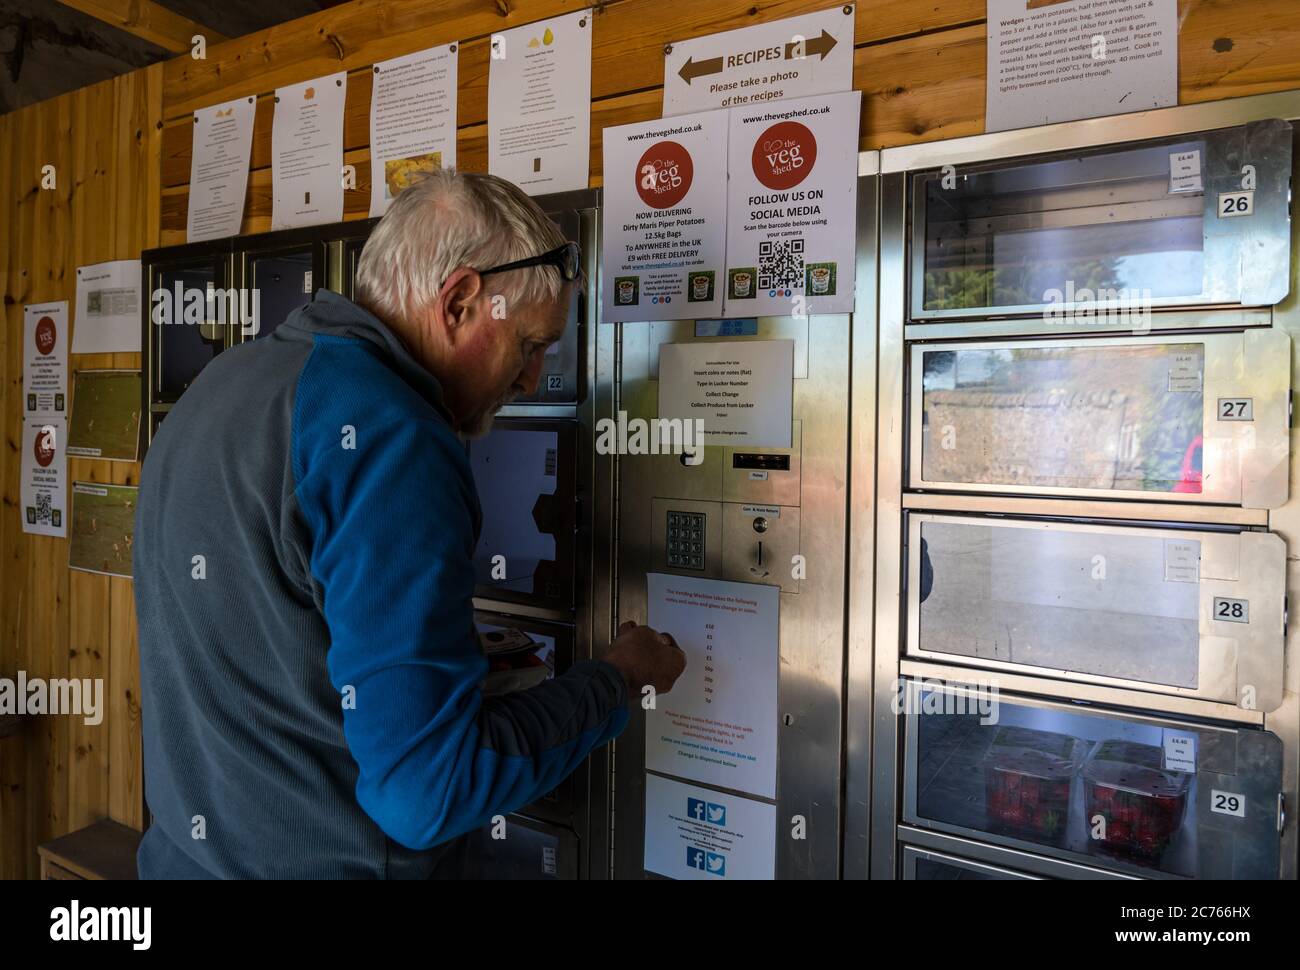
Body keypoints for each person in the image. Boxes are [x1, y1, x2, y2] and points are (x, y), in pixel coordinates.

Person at [133, 171, 686, 878]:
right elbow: (430, 791)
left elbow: (269, 647)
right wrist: (614, 680)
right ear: (458, 301)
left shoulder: (226, 381)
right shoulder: (394, 436)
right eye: (529, 344)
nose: (532, 378)